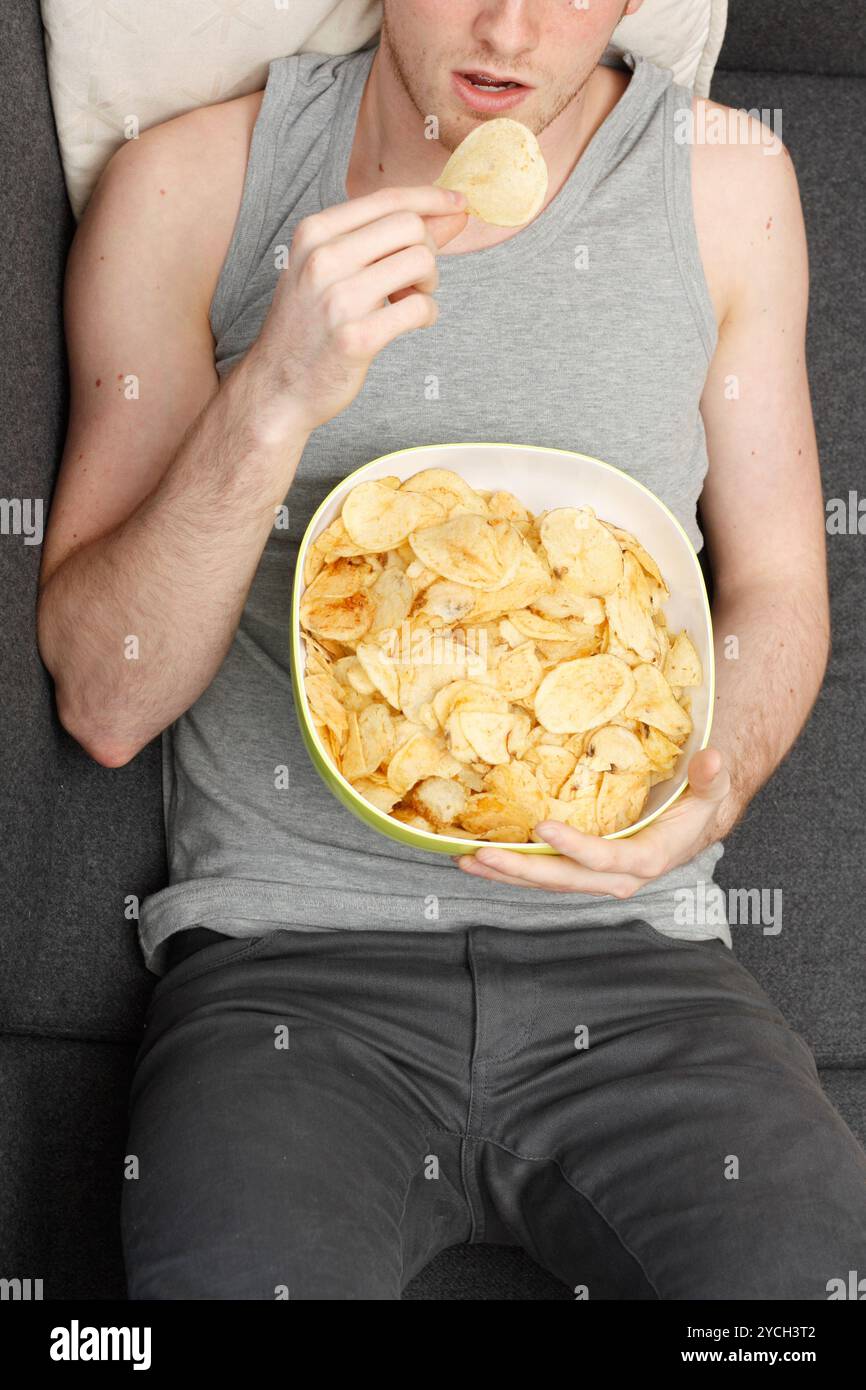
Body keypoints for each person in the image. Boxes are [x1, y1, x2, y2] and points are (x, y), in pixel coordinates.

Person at [36, 0, 866, 1299]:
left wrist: (717, 775)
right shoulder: (189, 184)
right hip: (292, 977)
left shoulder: (725, 185)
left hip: (643, 965)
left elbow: (772, 586)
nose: (510, 25)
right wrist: (273, 398)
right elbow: (104, 698)